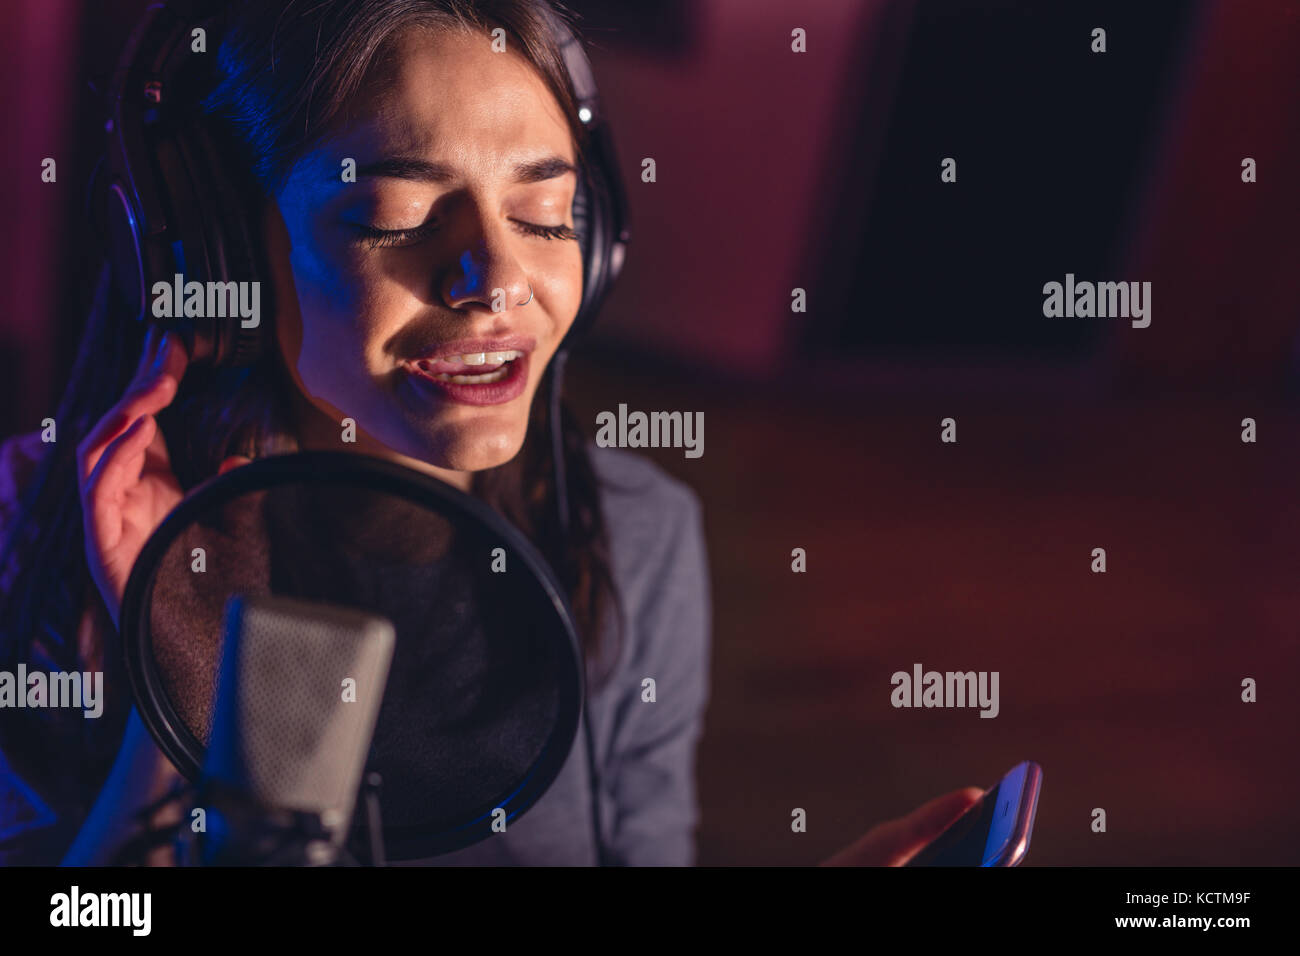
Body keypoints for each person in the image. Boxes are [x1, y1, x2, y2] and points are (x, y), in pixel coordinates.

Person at [0, 0, 979, 866]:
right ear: (225, 252)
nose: (498, 281)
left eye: (545, 215)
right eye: (397, 215)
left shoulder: (643, 538)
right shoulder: (47, 522)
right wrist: (174, 662)